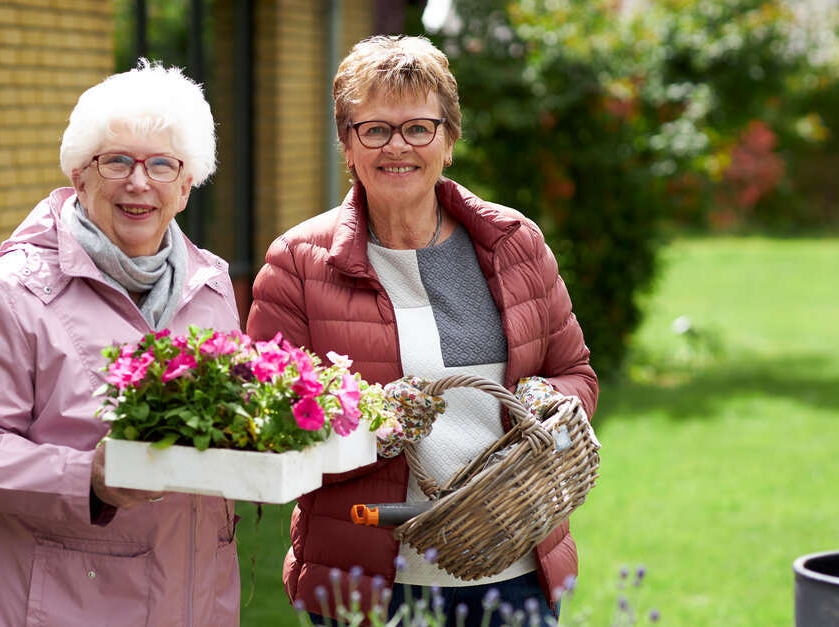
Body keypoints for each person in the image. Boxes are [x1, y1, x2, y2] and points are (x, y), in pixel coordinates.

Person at [246, 35, 599, 626]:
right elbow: (270, 420)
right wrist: (375, 423)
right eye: (374, 130)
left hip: (513, 577)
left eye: (418, 127)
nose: (397, 147)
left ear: (449, 141)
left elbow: (575, 373)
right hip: (368, 585)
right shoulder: (298, 263)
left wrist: (549, 402)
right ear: (347, 145)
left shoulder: (513, 244)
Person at [0, 62, 241, 626]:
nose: (139, 183)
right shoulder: (5, 294)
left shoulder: (211, 287)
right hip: (64, 605)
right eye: (116, 160)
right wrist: (88, 478)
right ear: (79, 175)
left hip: (198, 600)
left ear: (186, 186)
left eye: (162, 165)